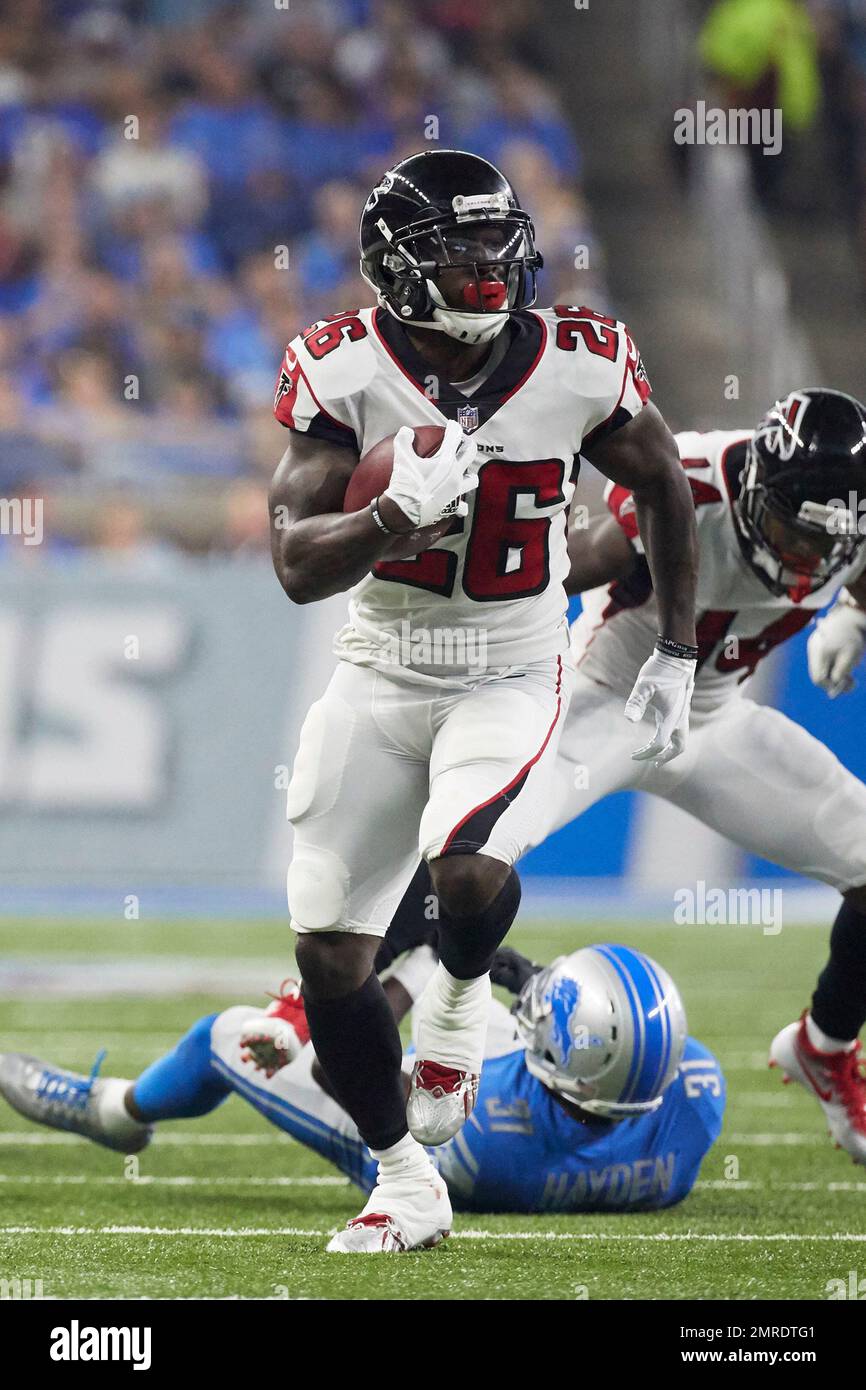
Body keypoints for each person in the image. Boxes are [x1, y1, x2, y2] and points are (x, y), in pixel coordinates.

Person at [267, 147, 699, 1251]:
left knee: (466, 862)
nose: (485, 275)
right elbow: (295, 564)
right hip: (379, 663)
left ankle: (460, 1002)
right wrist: (382, 521)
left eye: (495, 250)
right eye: (456, 257)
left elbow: (660, 485)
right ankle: (403, 1175)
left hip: (511, 660)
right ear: (394, 267)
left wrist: (677, 647)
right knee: (326, 951)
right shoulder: (342, 367)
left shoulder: (578, 358)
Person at [541, 387, 866, 1163]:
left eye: (832, 542)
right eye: (794, 529)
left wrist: (853, 613)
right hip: (604, 702)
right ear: (758, 491)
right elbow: (564, 571)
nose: (808, 558)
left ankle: (822, 1047)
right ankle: (321, 1014)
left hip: (714, 719)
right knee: (469, 855)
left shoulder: (843, 522)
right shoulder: (686, 480)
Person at [0, 942, 724, 1227]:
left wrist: (419, 964)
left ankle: (114, 1112)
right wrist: (531, 983)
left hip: (418, 1143)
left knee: (222, 1036)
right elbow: (610, 1060)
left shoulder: (487, 1131)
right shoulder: (693, 1095)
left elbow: (344, 1069)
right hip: (547, 1123)